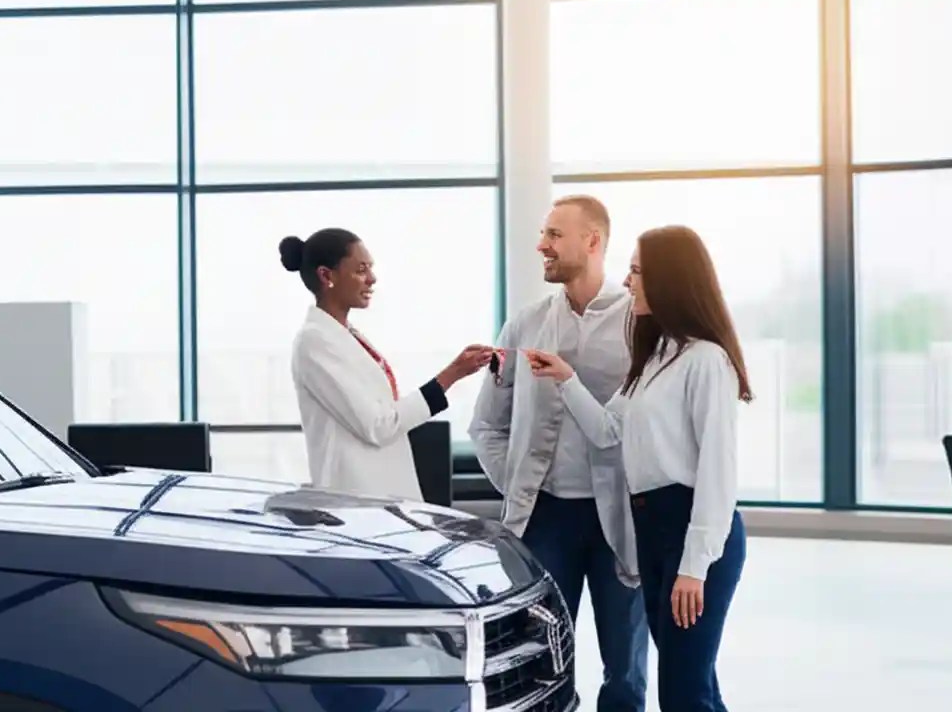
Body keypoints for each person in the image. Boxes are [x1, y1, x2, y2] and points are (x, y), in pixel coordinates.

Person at [526, 224, 751, 712]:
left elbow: (718, 471)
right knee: (693, 683)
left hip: (692, 533)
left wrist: (694, 568)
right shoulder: (657, 357)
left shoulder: (706, 361)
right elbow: (608, 430)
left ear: (670, 280)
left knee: (681, 690)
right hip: (651, 528)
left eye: (636, 271)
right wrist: (565, 379)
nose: (627, 283)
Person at [469, 195, 648, 711]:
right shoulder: (523, 325)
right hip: (545, 521)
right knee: (537, 661)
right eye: (543, 233)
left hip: (622, 520)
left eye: (554, 235)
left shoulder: (638, 325)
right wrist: (523, 483)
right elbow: (486, 424)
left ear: (593, 242)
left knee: (626, 668)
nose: (541, 245)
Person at [280, 228, 491, 500]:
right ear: (326, 275)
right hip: (357, 498)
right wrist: (450, 376)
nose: (372, 278)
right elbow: (378, 424)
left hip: (379, 493)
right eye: (361, 269)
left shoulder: (345, 335)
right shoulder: (315, 341)